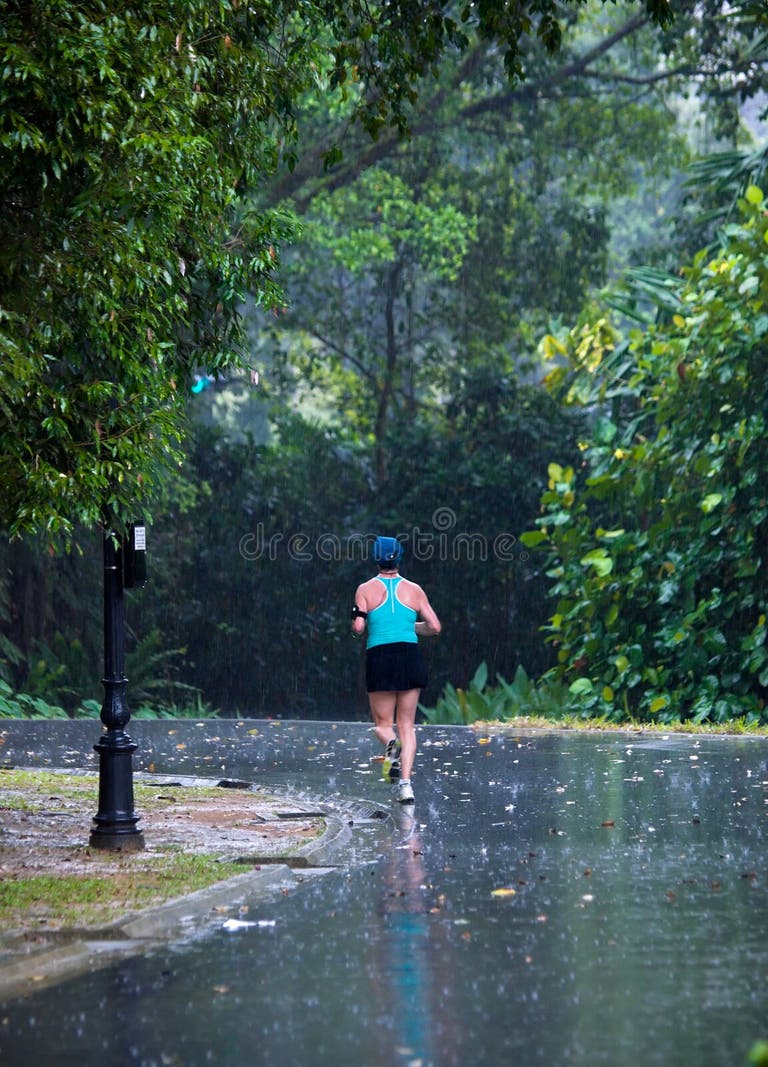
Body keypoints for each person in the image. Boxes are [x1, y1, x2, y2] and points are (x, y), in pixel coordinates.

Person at [351, 535, 441, 803]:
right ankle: (405, 786)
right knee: (407, 726)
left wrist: (357, 619)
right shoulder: (415, 590)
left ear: (375, 558)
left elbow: (358, 627)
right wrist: (412, 627)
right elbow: (435, 627)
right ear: (399, 558)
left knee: (383, 725)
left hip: (380, 657)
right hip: (409, 656)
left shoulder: (365, 589)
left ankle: (392, 747)